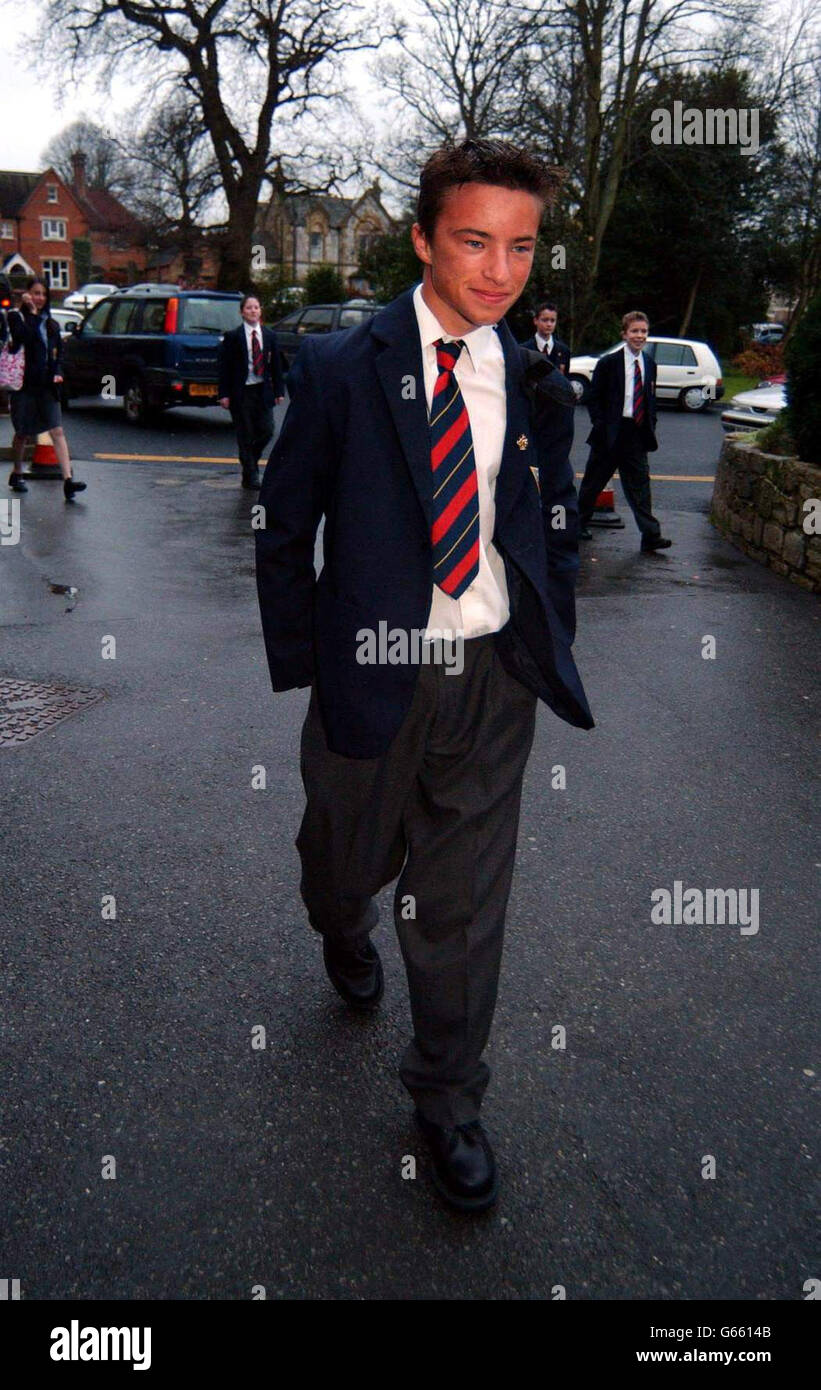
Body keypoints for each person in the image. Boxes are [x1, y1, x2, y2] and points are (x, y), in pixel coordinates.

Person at [255, 138, 593, 1214]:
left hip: (490, 681)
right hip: (370, 672)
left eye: (520, 247)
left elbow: (548, 523)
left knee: (458, 905)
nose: (498, 271)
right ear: (420, 238)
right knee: (344, 863)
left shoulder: (534, 381)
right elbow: (281, 527)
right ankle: (337, 920)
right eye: (473, 241)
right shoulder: (340, 371)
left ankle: (446, 1097)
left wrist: (550, 621)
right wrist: (313, 665)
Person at [577, 311, 671, 551]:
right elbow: (593, 396)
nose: (639, 336)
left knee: (640, 486)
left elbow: (649, 398)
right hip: (610, 432)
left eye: (643, 331)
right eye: (634, 331)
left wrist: (651, 423)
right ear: (624, 334)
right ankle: (577, 525)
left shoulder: (649, 364)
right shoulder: (609, 362)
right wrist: (600, 424)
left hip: (636, 433)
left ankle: (651, 536)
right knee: (593, 482)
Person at [6, 278, 85, 500]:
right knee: (22, 433)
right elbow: (24, 337)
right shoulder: (16, 317)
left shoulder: (51, 324)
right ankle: (17, 472)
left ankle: (68, 480)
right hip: (23, 384)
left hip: (47, 385)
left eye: (43, 294)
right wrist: (30, 312)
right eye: (35, 293)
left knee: (56, 430)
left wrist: (58, 371)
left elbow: (58, 352)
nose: (39, 298)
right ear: (27, 295)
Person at [217, 295, 285, 489]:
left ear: (260, 311)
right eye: (249, 308)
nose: (253, 311)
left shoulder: (269, 335)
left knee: (267, 430)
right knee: (245, 434)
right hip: (241, 392)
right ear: (242, 312)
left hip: (262, 390)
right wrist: (224, 394)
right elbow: (225, 367)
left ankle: (250, 462)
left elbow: (276, 366)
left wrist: (279, 390)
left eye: (256, 307)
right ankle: (251, 475)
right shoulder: (233, 337)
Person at [520, 301, 571, 375]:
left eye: (552, 320)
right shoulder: (524, 350)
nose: (549, 324)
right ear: (535, 320)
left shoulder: (564, 351)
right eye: (545, 320)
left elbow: (565, 381)